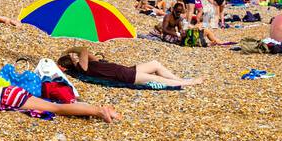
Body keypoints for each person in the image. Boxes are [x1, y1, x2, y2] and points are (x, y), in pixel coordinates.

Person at [0, 46, 120, 122]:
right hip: (8, 93)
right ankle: (98, 109)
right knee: (54, 105)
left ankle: (98, 111)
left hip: (6, 96)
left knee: (56, 108)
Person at [57, 49, 201, 88]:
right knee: (156, 78)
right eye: (73, 58)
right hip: (123, 75)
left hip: (125, 69)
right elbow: (83, 49)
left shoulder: (86, 65)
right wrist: (72, 50)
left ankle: (179, 79)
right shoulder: (82, 69)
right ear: (72, 62)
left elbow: (88, 54)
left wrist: (75, 55)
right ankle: (187, 83)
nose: (75, 57)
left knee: (155, 63)